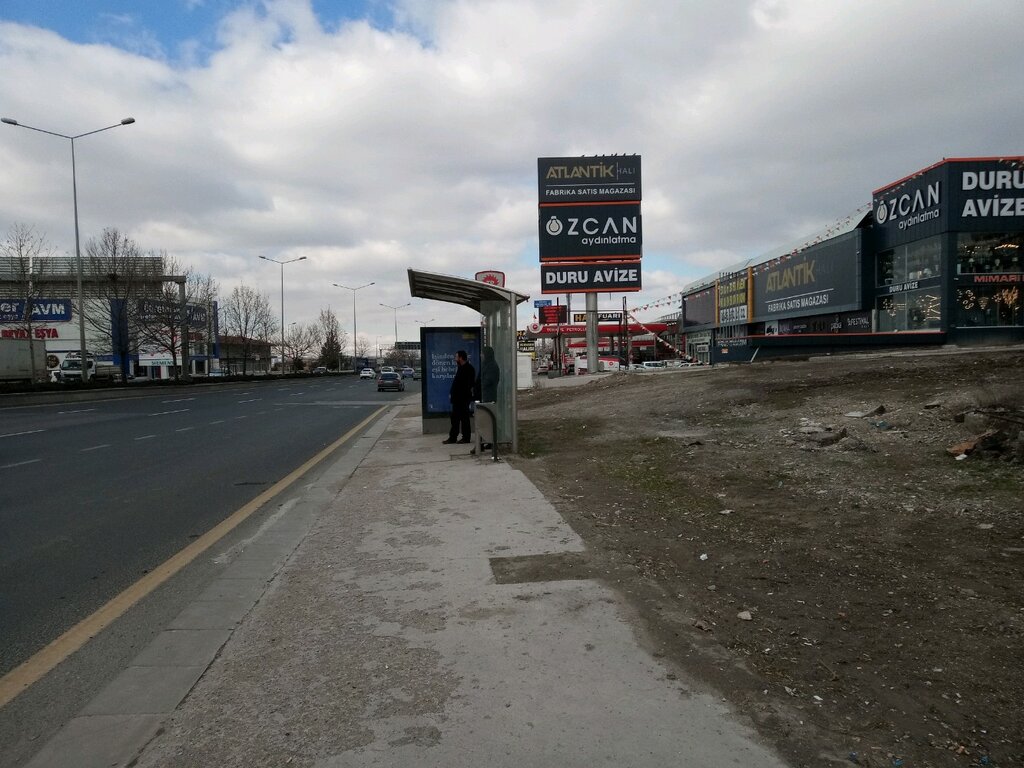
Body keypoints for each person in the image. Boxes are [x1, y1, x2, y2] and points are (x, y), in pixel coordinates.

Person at [444, 349, 475, 444]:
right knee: (455, 419)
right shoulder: (460, 368)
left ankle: (466, 437)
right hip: (457, 399)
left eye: (456, 357)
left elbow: (468, 385)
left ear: (461, 358)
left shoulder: (468, 369)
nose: (455, 359)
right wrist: (452, 393)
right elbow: (456, 383)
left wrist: (459, 394)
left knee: (464, 418)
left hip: (463, 399)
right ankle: (453, 437)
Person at [474, 346, 501, 450]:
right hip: (484, 396)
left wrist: (481, 383)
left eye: (482, 353)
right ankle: (487, 441)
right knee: (486, 421)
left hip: (489, 397)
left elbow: (488, 381)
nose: (481, 355)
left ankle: (481, 443)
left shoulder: (492, 366)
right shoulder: (486, 364)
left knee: (484, 420)